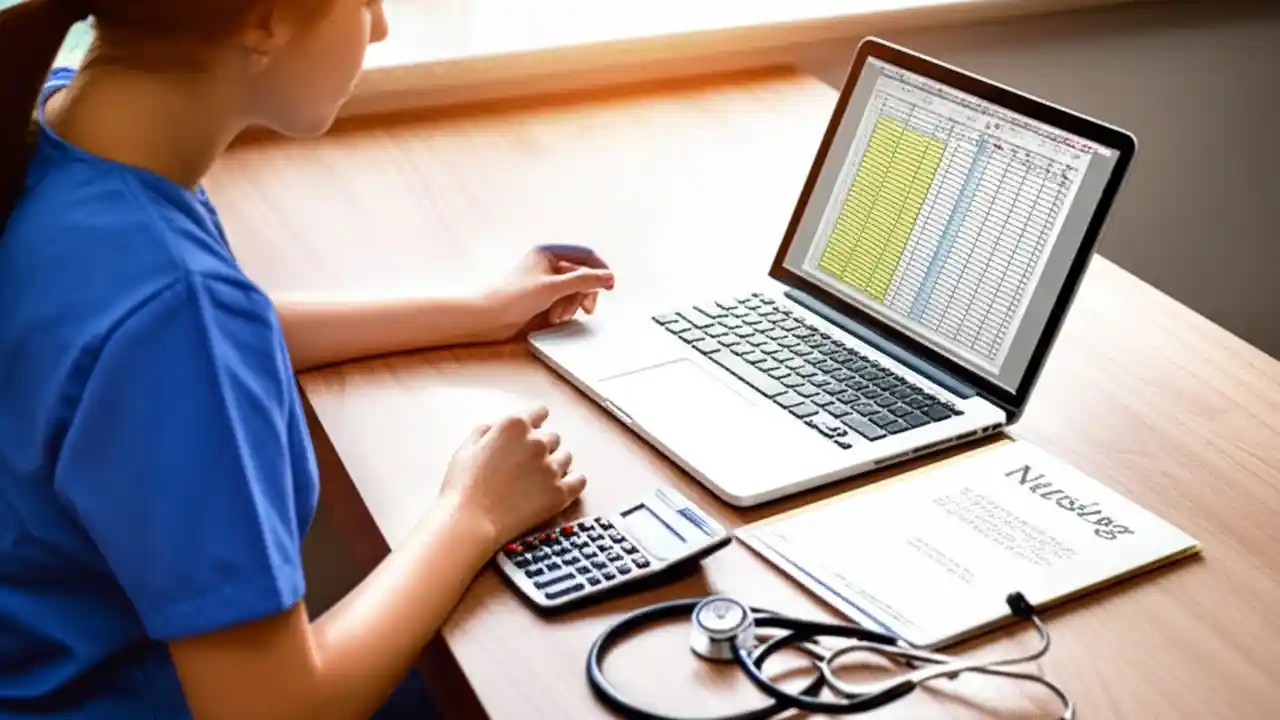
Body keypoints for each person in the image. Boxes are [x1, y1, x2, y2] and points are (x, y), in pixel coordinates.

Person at [0, 0, 616, 717]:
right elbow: (277, 709)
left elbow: (172, 353)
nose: (380, 28)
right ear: (265, 20)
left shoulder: (66, 123)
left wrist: (477, 310)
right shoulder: (174, 311)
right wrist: (472, 513)